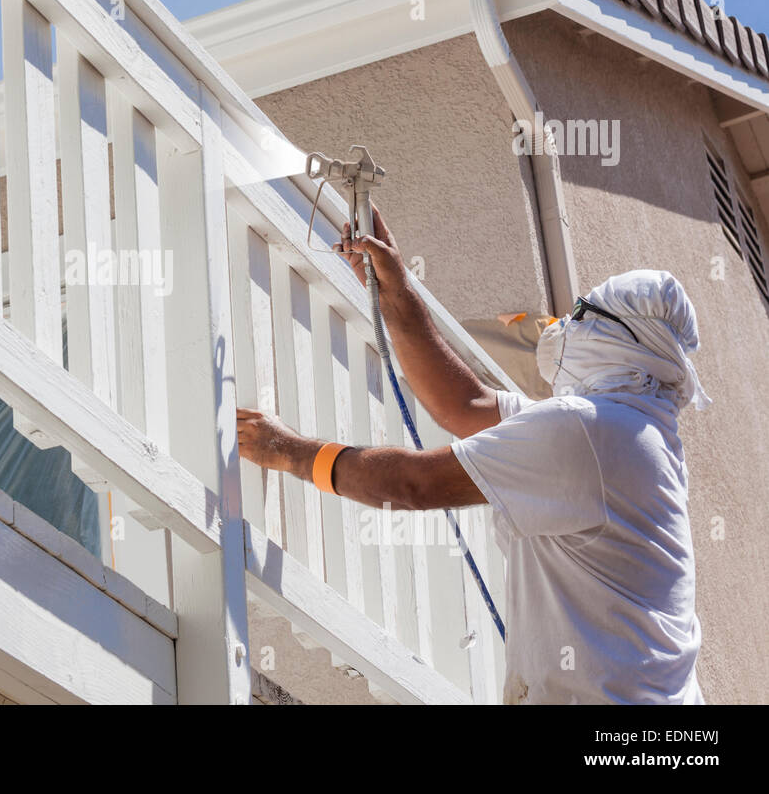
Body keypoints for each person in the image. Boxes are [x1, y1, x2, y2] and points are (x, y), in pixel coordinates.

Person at [236, 204, 708, 704]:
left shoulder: (592, 432)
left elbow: (412, 485)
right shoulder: (627, 428)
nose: (567, 325)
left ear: (619, 338)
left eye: (583, 315)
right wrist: (396, 290)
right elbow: (466, 404)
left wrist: (288, 452)